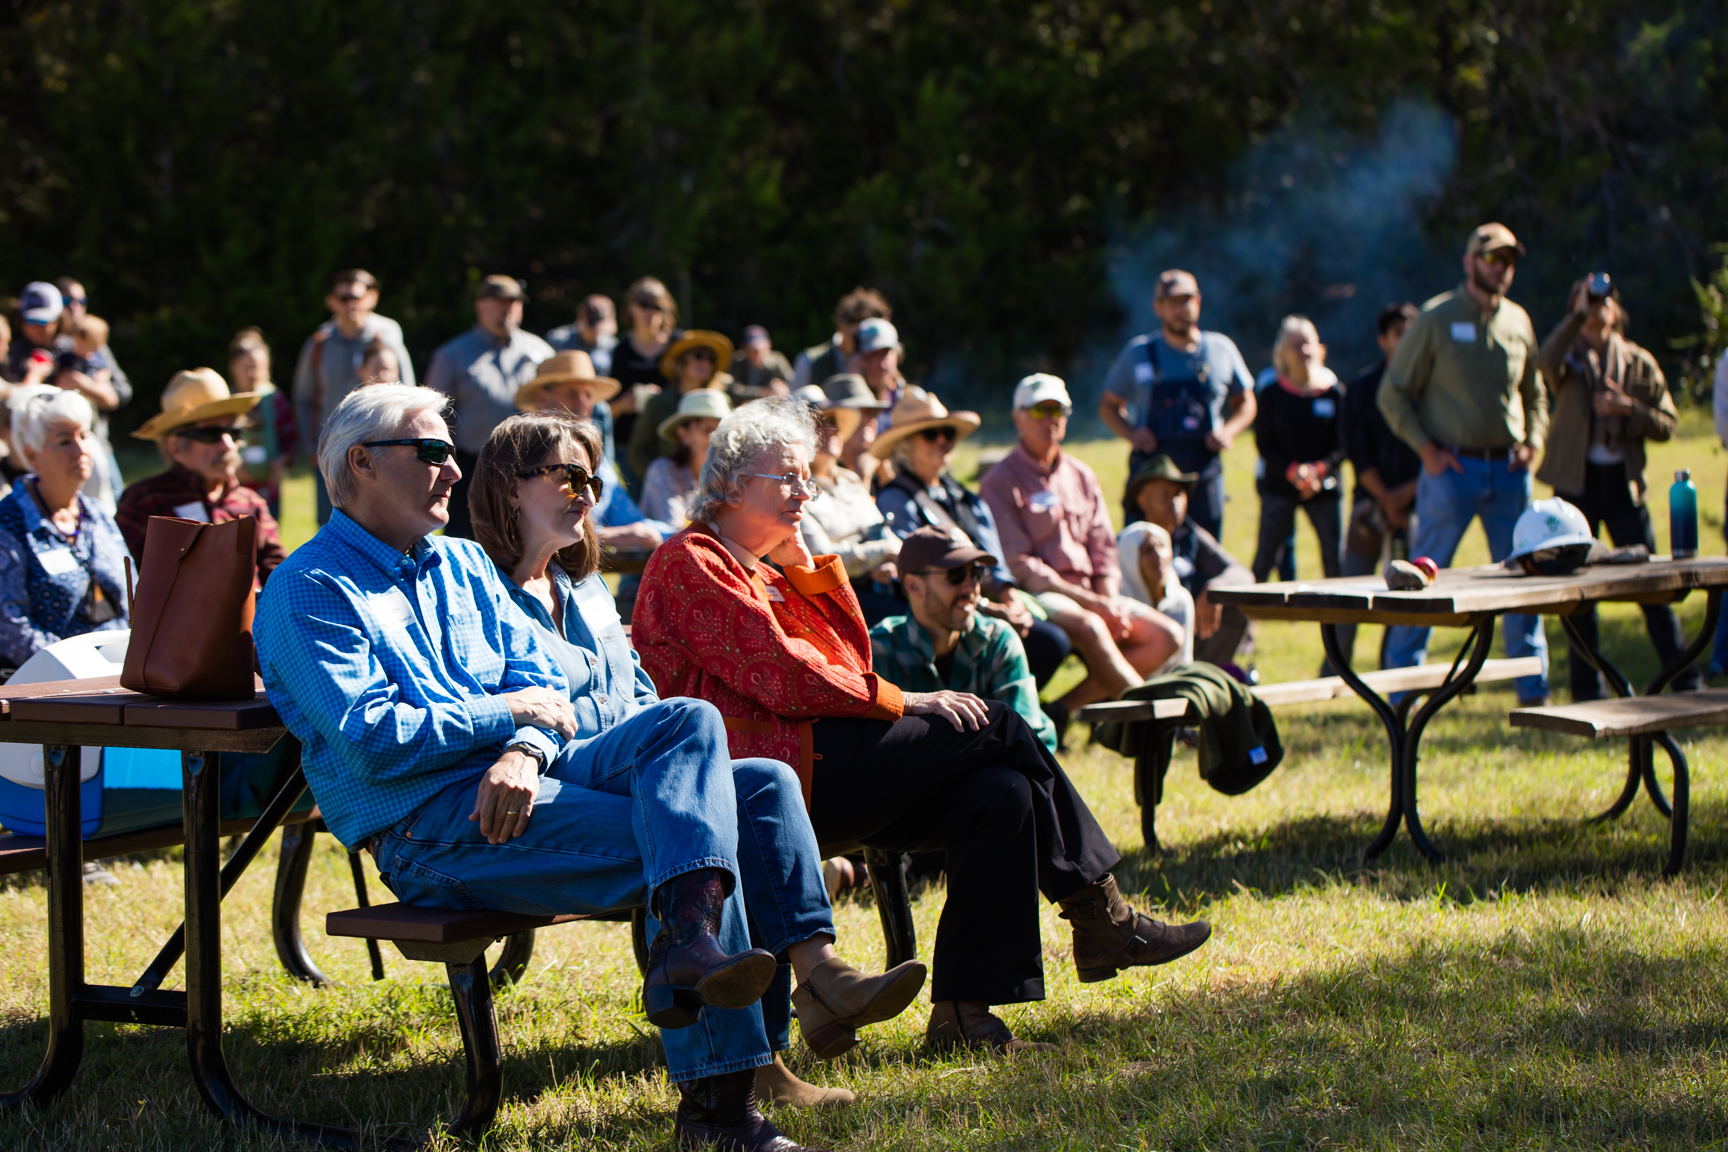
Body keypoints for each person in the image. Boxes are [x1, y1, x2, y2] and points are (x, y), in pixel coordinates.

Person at [254, 384, 849, 1151]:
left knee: (726, 756)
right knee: (701, 838)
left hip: (525, 786)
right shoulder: (312, 587)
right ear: (361, 462)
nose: (451, 470)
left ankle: (691, 945)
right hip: (429, 824)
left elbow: (545, 691)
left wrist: (524, 747)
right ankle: (721, 1110)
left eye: (450, 452)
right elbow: (372, 738)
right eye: (431, 452)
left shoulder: (462, 566)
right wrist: (508, 720)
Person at [632, 397, 1212, 1054]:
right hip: (764, 782)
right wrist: (908, 702)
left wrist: (806, 566)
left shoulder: (772, 569)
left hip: (820, 767)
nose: (804, 492)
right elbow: (784, 676)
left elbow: (852, 658)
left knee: (1001, 792)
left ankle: (966, 1017)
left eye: (806, 478)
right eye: (788, 478)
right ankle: (1102, 913)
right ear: (733, 484)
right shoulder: (691, 560)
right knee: (993, 724)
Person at [467, 409, 925, 1109]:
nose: (586, 492)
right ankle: (746, 1063)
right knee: (702, 802)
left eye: (592, 477)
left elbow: (637, 690)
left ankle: (819, 973)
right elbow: (521, 706)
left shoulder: (585, 590)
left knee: (761, 783)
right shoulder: (475, 589)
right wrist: (610, 723)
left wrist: (632, 720)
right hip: (552, 780)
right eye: (566, 476)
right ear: (506, 487)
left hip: (629, 763)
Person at [1378, 223, 1551, 705]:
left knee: (1525, 583)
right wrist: (1427, 451)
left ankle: (1534, 693)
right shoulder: (1435, 318)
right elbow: (1393, 394)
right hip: (1451, 473)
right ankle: (1400, 695)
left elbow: (1535, 394)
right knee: (1420, 584)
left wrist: (1533, 441)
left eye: (1509, 261)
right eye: (1492, 258)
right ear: (1469, 261)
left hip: (1511, 472)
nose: (1500, 268)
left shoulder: (1518, 320)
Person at [980, 375, 1183, 715]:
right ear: (1017, 417)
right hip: (1042, 596)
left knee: (1167, 636)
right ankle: (1153, 719)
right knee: (1091, 626)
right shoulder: (998, 482)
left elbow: (1104, 548)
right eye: (1039, 410)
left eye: (1058, 409)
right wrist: (1094, 604)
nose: (1050, 419)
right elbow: (1021, 566)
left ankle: (1063, 709)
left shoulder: (1082, 475)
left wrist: (1108, 599)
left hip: (1092, 591)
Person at [1536, 276, 1697, 699]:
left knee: (1650, 585)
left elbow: (1668, 423)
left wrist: (1628, 410)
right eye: (1588, 301)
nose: (1596, 307)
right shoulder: (1565, 360)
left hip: (1623, 485)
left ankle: (1685, 679)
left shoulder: (1637, 361)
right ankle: (1586, 689)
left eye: (1603, 300)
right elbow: (1541, 362)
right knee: (1577, 593)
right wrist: (1576, 315)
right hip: (1576, 486)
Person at [873, 387, 1073, 698]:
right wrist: (987, 608)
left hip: (980, 597)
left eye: (947, 433)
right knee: (1050, 643)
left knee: (1056, 639)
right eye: (931, 434)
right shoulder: (895, 499)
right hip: (944, 608)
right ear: (904, 446)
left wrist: (1008, 597)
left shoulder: (964, 496)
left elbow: (993, 556)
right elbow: (918, 573)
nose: (942, 441)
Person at [1098, 269, 1256, 539]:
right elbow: (1108, 406)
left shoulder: (1221, 350)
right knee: (1144, 554)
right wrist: (1132, 433)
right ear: (1158, 307)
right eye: (1172, 302)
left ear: (1198, 302)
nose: (1180, 309)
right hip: (1151, 475)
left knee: (1206, 557)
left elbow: (1246, 402)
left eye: (1186, 300)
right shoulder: (1139, 353)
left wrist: (1227, 432)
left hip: (1202, 474)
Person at [870, 528, 1059, 753]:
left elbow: (1028, 740)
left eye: (976, 573)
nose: (972, 588)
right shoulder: (879, 650)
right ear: (913, 586)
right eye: (956, 575)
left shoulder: (998, 640)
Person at [0, 386, 130, 673]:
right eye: (64, 441)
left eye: (83, 436)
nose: (80, 449)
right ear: (32, 457)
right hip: (50, 684)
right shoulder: (8, 523)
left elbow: (135, 597)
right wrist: (81, 670)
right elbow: (11, 628)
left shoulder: (98, 516)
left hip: (123, 674)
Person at [117, 368, 287, 588]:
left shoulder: (251, 503)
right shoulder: (144, 502)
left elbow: (282, 577)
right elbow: (122, 582)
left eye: (233, 432)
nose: (228, 444)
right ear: (176, 447)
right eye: (211, 434)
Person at [425, 274, 555, 539]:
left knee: (524, 540)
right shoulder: (453, 355)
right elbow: (431, 417)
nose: (508, 309)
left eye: (515, 302)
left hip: (529, 465)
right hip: (471, 467)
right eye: (500, 302)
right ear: (481, 305)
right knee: (467, 539)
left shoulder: (539, 352)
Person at [292, 269, 416, 525]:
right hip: (332, 448)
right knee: (330, 524)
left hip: (381, 447)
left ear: (371, 298)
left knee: (383, 523)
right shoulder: (319, 343)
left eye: (356, 297)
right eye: (344, 297)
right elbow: (303, 398)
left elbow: (408, 395)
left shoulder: (389, 337)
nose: (351, 304)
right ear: (332, 302)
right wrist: (310, 444)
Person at [1336, 304, 1420, 669]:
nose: (1407, 340)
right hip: (1369, 504)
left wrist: (1406, 495)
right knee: (1350, 590)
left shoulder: (1430, 387)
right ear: (1382, 339)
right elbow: (1355, 448)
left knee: (1409, 594)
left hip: (1419, 504)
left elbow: (1441, 446)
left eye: (1413, 332)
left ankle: (1397, 669)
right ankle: (1335, 671)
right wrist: (1386, 498)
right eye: (1399, 332)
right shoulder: (1362, 387)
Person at [1124, 456, 1254, 668]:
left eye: (1178, 494)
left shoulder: (1190, 535)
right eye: (1165, 494)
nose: (1174, 502)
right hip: (1147, 637)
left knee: (1237, 600)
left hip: (1193, 631)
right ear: (1143, 500)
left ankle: (1211, 670)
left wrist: (1216, 589)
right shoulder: (1131, 542)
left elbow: (1242, 574)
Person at [793, 387, 901, 625]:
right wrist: (881, 554)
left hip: (881, 586)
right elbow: (821, 559)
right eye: (819, 423)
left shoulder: (850, 480)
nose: (831, 430)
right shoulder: (793, 491)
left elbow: (884, 532)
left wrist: (887, 561)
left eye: (835, 423)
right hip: (836, 602)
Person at [1251, 315, 1345, 585]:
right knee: (1265, 559)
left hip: (1324, 486)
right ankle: (1245, 625)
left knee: (1334, 562)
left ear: (1319, 348)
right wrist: (1293, 471)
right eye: (1295, 345)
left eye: (1307, 344)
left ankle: (1338, 626)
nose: (1303, 351)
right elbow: (1263, 444)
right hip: (1279, 485)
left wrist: (1319, 470)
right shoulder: (1271, 394)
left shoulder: (1334, 392)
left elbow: (1344, 443)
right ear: (1282, 353)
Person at [629, 330, 733, 492]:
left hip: (714, 487)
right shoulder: (658, 403)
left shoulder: (721, 401)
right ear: (681, 361)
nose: (704, 362)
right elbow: (638, 450)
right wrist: (659, 480)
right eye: (698, 356)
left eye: (711, 359)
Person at [608, 277, 682, 492]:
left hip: (672, 444)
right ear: (631, 307)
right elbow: (608, 408)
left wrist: (662, 399)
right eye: (643, 304)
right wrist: (624, 404)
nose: (650, 312)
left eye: (657, 307)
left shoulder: (679, 345)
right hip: (630, 446)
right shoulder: (621, 350)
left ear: (666, 311)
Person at [227, 327, 299, 517]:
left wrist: (282, 462)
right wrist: (233, 465)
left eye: (258, 368)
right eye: (247, 368)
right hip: (233, 493)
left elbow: (290, 439)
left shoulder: (275, 399)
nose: (253, 374)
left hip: (269, 492)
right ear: (233, 367)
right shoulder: (225, 402)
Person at [641, 389, 730, 527]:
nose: (717, 440)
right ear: (683, 435)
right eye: (708, 431)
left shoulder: (732, 477)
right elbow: (675, 529)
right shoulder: (663, 470)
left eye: (723, 432)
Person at [1115, 520, 1194, 674]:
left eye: (1162, 546)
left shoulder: (1180, 600)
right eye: (1148, 550)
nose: (1158, 555)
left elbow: (1183, 662)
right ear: (1130, 561)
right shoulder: (1120, 607)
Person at [789, 287, 891, 391]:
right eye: (859, 335)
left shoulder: (878, 361)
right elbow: (795, 403)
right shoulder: (810, 362)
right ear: (841, 328)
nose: (865, 341)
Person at [546, 293, 619, 375]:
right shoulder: (558, 340)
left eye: (600, 328)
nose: (596, 332)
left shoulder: (612, 345)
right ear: (581, 317)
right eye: (592, 327)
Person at [729, 326, 794, 403]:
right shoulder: (737, 361)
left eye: (761, 348)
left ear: (769, 345)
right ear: (744, 348)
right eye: (753, 349)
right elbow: (732, 389)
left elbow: (793, 383)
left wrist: (782, 386)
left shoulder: (778, 361)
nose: (758, 353)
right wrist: (764, 392)